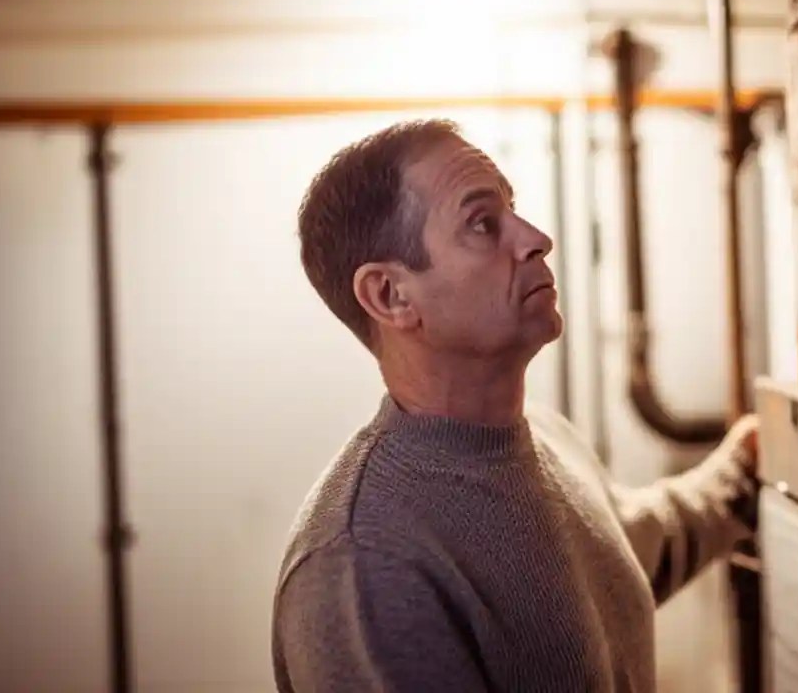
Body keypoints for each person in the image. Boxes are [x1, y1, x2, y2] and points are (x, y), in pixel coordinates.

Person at [271, 119, 760, 693]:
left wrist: (741, 472)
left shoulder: (544, 436)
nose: (534, 238)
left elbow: (618, 568)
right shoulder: (363, 563)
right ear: (391, 295)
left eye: (513, 209)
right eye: (483, 223)